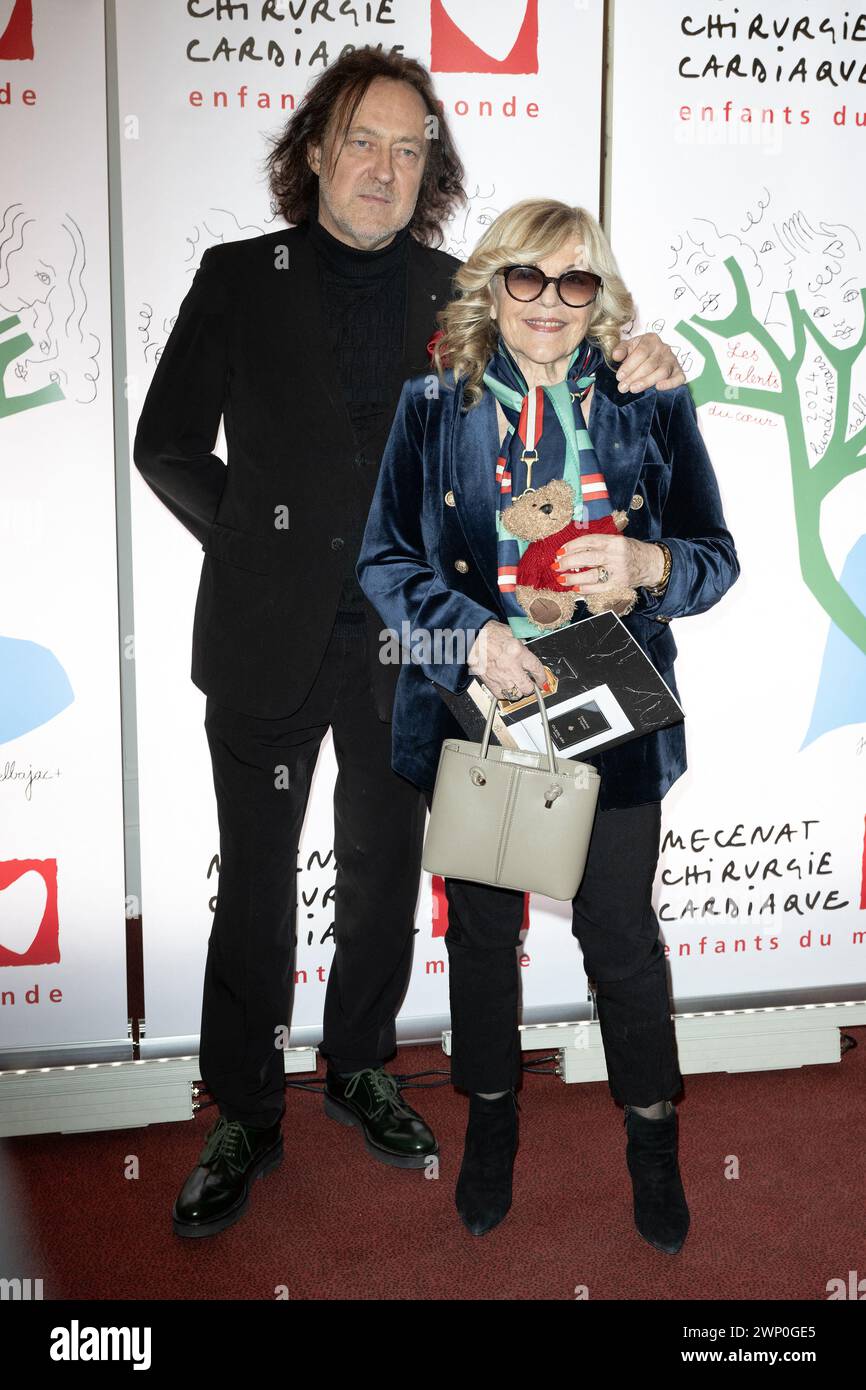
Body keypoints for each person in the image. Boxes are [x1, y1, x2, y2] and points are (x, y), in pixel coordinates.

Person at [133, 48, 687, 1239]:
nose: (383, 166)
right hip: (265, 637)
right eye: (362, 141)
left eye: (408, 146)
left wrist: (649, 357)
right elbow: (165, 442)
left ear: (427, 168)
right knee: (258, 880)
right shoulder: (238, 277)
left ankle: (359, 1067)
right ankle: (241, 1105)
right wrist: (260, 543)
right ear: (315, 153)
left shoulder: (458, 291)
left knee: (385, 874)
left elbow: (567, 359)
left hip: (417, 652)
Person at [357, 197, 740, 1251]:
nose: (548, 303)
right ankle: (489, 1125)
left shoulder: (647, 398)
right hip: (480, 710)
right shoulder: (434, 402)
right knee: (484, 938)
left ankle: (652, 1138)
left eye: (574, 282)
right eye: (526, 277)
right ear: (492, 284)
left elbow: (714, 553)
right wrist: (471, 633)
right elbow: (383, 562)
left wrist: (647, 565)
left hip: (611, 709)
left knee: (621, 937)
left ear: (597, 297)